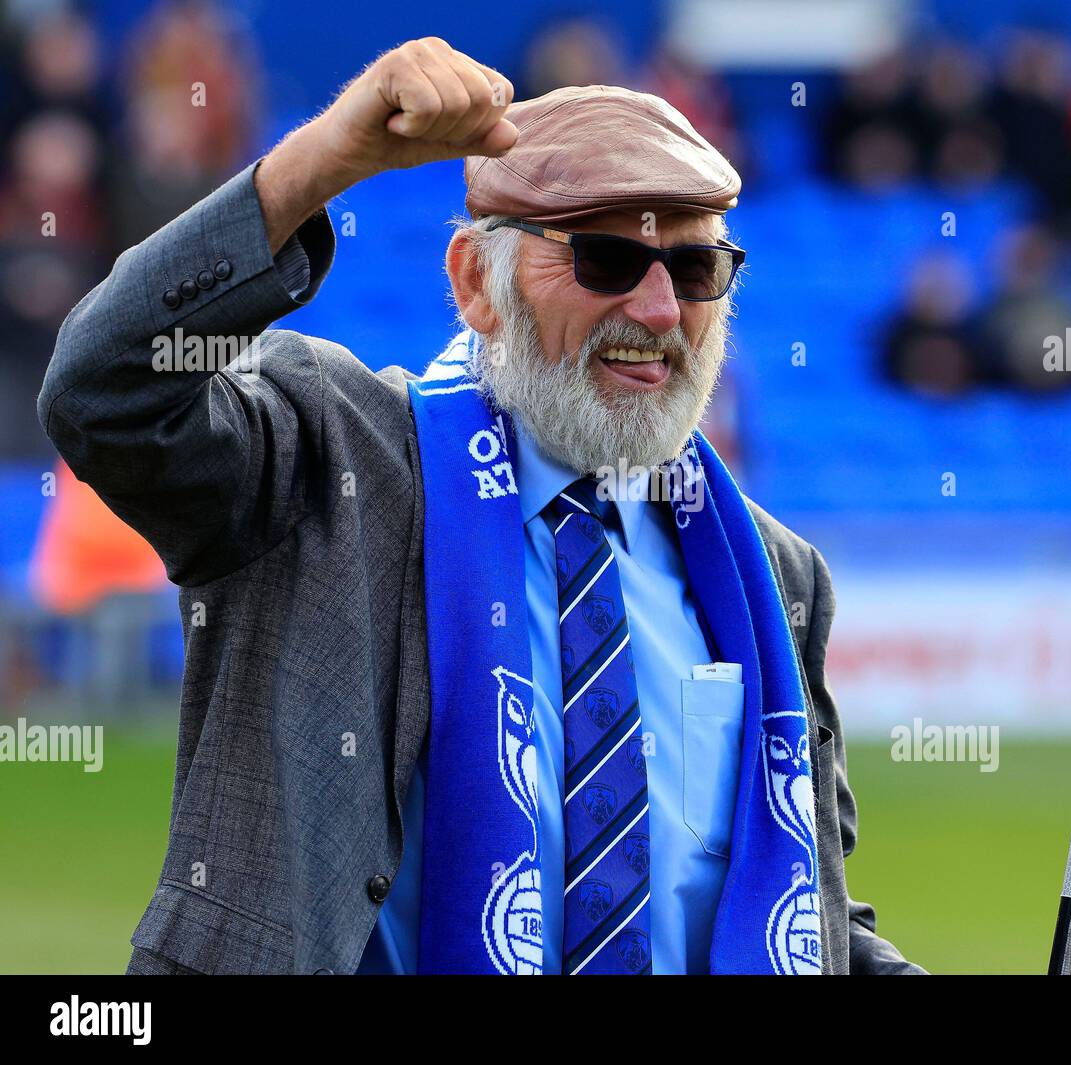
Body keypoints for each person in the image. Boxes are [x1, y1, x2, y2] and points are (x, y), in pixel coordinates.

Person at [39, 36, 923, 976]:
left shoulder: (773, 577)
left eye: (697, 268)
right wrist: (328, 158)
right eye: (608, 259)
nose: (663, 311)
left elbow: (801, 907)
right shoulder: (331, 463)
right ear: (473, 283)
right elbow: (105, 390)